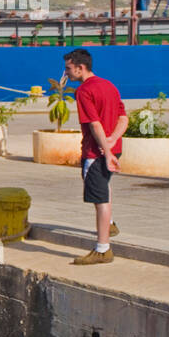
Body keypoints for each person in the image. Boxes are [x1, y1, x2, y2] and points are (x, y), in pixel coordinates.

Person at [64, 48, 127, 265]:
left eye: (69, 69)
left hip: (95, 151)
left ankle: (103, 248)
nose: (67, 73)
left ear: (81, 68)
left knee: (99, 198)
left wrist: (106, 150)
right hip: (112, 147)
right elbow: (123, 118)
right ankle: (108, 224)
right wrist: (112, 142)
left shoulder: (83, 91)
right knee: (104, 186)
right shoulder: (109, 85)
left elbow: (94, 123)